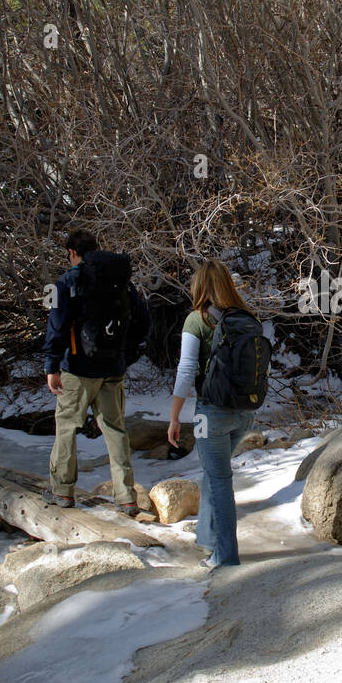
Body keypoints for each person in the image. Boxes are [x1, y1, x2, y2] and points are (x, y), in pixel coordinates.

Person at [44, 229, 150, 510]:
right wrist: (124, 355)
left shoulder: (65, 283)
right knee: (115, 429)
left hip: (77, 370)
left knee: (66, 427)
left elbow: (56, 327)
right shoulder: (121, 282)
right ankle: (127, 497)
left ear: (71, 252)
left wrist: (51, 366)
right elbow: (143, 323)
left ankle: (63, 491)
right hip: (113, 369)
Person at [168, 260, 260, 569]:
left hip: (211, 413)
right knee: (213, 473)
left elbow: (185, 371)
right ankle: (209, 538)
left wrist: (174, 416)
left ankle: (226, 557)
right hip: (245, 413)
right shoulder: (247, 318)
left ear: (199, 287)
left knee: (219, 479)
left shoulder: (197, 320)